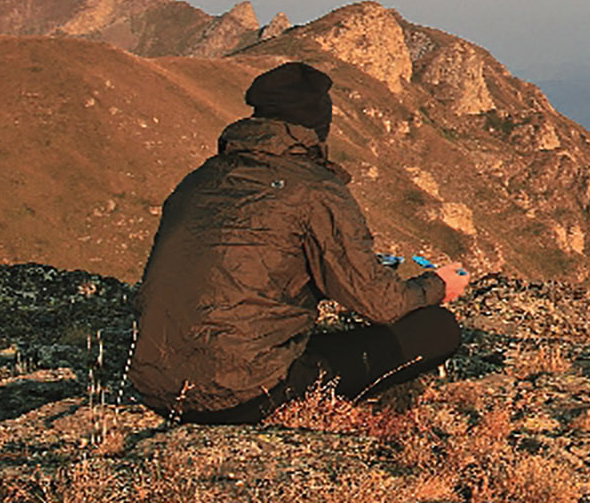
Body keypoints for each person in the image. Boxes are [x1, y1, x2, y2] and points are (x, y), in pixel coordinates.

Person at [129, 61, 469, 423]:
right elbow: (381, 304)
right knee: (437, 329)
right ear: (318, 125)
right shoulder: (314, 189)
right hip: (241, 394)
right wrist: (436, 285)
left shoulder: (198, 180)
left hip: (156, 386)